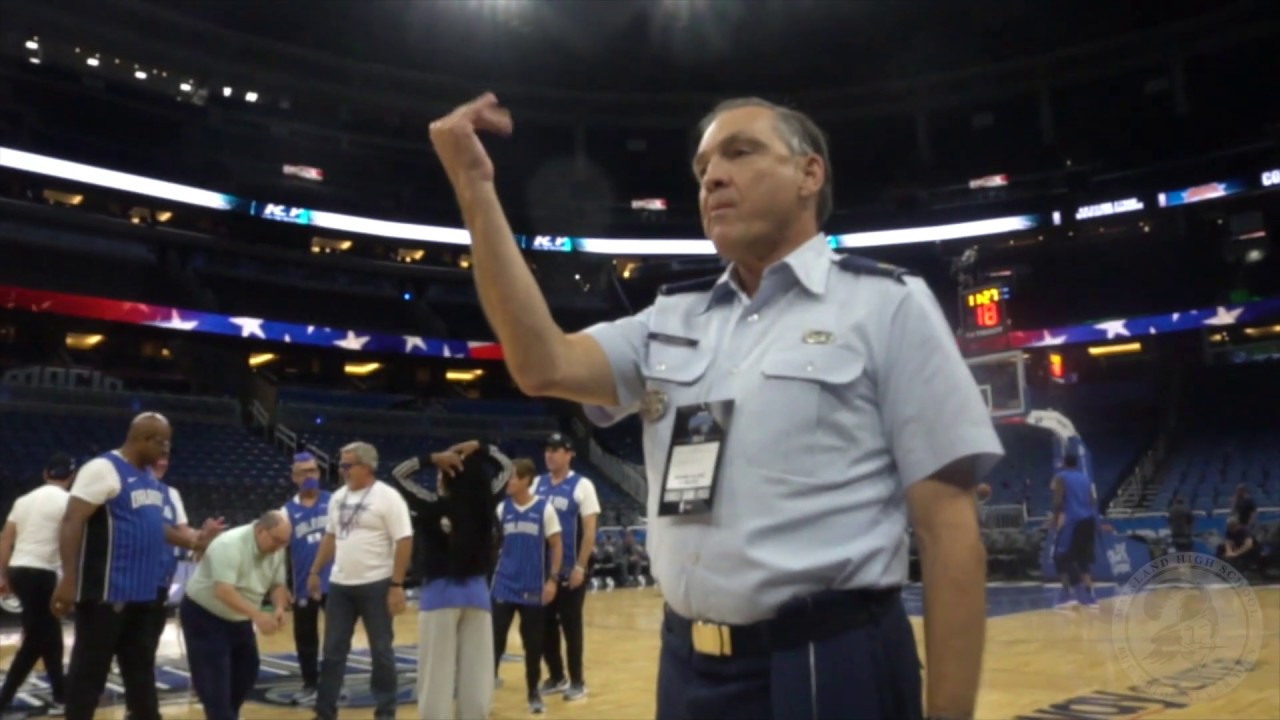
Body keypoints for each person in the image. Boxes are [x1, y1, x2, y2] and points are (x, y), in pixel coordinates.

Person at [430, 93, 1002, 720]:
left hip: (830, 663)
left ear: (810, 174)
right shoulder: (670, 319)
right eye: (703, 169)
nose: (713, 178)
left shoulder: (886, 304)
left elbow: (950, 535)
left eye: (740, 152)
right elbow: (541, 365)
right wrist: (475, 190)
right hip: (688, 665)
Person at [52, 413, 216, 720]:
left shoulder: (150, 479)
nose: (167, 450)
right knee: (89, 676)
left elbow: (157, 527)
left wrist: (195, 541)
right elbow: (72, 520)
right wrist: (68, 579)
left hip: (144, 596)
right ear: (142, 439)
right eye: (162, 443)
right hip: (106, 594)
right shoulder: (103, 469)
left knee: (141, 675)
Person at [389, 440, 509, 720]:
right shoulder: (486, 502)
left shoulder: (431, 504)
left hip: (439, 597)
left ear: (444, 476)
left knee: (436, 677)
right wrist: (480, 446)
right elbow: (505, 466)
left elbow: (398, 473)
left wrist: (431, 457)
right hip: (478, 596)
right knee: (477, 676)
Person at [308, 441, 414, 720]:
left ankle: (386, 712)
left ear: (367, 467)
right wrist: (315, 571)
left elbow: (404, 540)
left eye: (347, 465)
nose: (341, 470)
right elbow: (330, 536)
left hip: (377, 584)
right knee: (332, 652)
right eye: (341, 465)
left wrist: (396, 585)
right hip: (341, 585)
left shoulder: (388, 497)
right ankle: (324, 713)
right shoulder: (337, 497)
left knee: (381, 652)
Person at [180, 510, 292, 720]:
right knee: (215, 691)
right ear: (261, 531)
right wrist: (258, 616)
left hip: (239, 619)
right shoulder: (229, 544)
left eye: (284, 543)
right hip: (204, 616)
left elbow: (277, 585)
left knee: (246, 675)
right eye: (277, 540)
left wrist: (278, 608)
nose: (279, 547)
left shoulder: (277, 548)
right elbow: (223, 590)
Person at [0, 453, 75, 716]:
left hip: (18, 570)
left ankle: (60, 695)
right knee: (39, 638)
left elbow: (5, 539)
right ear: (71, 477)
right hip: (43, 573)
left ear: (45, 474)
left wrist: (2, 576)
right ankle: (5, 696)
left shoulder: (23, 500)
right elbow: (72, 543)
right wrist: (70, 577)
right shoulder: (70, 502)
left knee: (47, 636)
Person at [532, 433, 599, 700]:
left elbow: (590, 530)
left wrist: (581, 567)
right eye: (547, 449)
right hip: (544, 571)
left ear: (569, 453)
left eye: (556, 450)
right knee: (545, 625)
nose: (550, 454)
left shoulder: (583, 485)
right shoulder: (537, 483)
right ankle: (557, 676)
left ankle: (578, 681)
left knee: (571, 626)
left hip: (572, 569)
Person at [493, 458, 562, 715]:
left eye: (512, 477)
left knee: (532, 644)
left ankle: (533, 692)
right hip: (504, 584)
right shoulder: (502, 509)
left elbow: (557, 544)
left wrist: (553, 580)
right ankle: (485, 689)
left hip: (533, 585)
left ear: (525, 480)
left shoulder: (544, 509)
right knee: (495, 640)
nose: (507, 482)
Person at [281, 451, 332, 707]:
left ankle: (333, 683)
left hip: (336, 583)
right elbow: (279, 553)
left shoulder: (335, 502)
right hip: (303, 585)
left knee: (337, 638)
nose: (309, 476)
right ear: (294, 477)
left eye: (312, 471)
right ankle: (310, 684)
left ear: (319, 473)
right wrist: (280, 586)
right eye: (303, 472)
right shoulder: (286, 511)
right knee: (306, 639)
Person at [1051, 453, 1099, 609]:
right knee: (1083, 559)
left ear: (1064, 463)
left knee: (1061, 556)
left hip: (1073, 520)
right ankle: (1091, 595)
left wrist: (1054, 519)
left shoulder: (1061, 477)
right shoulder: (1085, 478)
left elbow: (1057, 501)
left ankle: (1070, 594)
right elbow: (1092, 500)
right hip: (1088, 520)